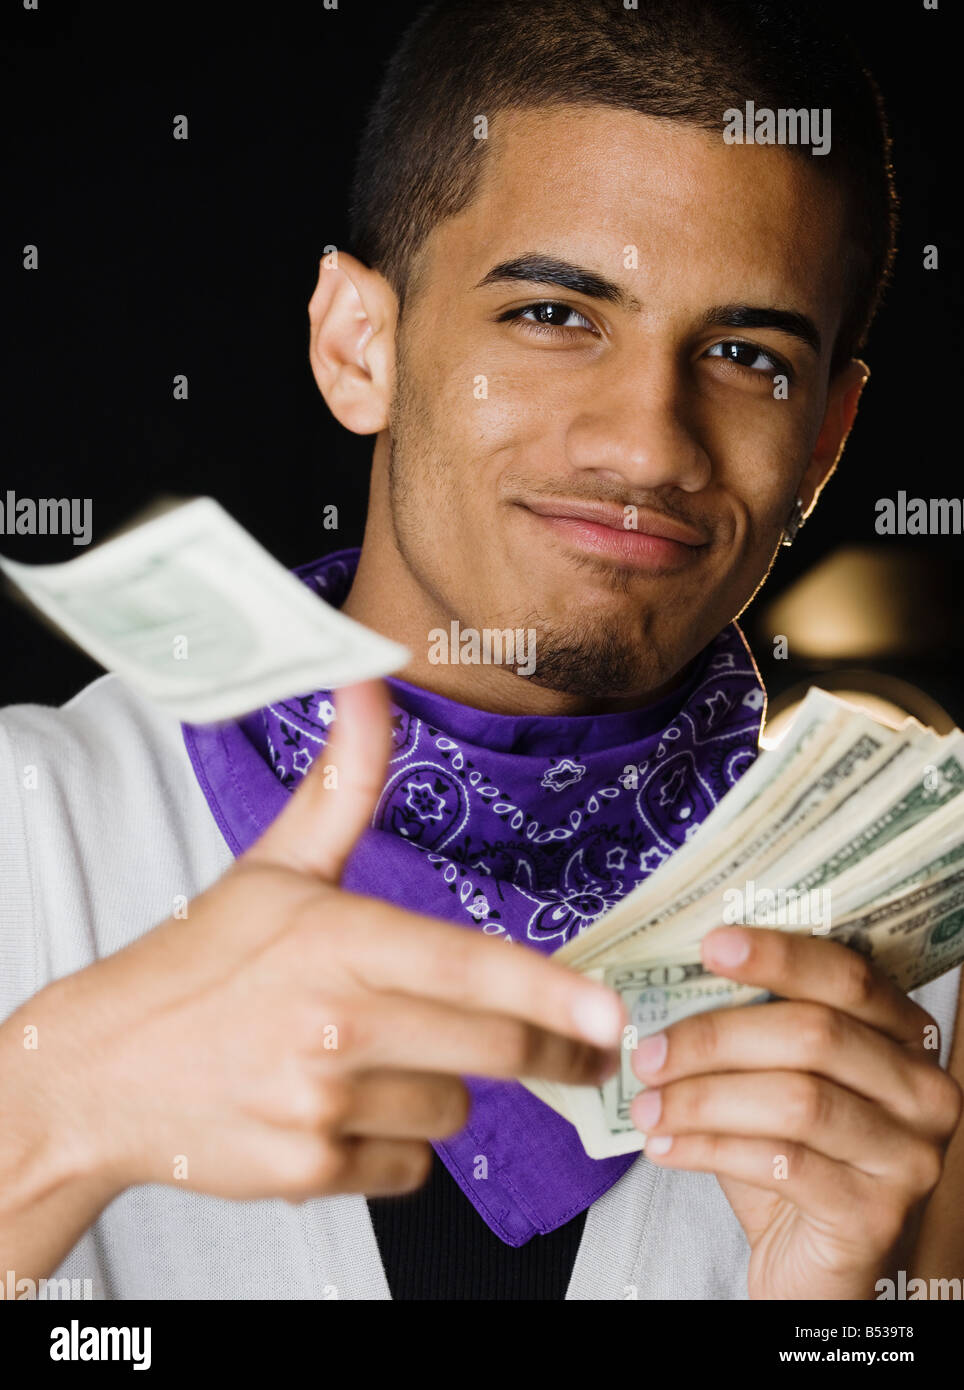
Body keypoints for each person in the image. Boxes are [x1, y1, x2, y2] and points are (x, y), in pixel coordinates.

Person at [1, 0, 961, 1302]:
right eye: (556, 314)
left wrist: (846, 1316)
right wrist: (45, 1126)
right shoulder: (28, 841)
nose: (645, 446)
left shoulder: (924, 1004)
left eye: (743, 353)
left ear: (828, 442)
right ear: (361, 345)